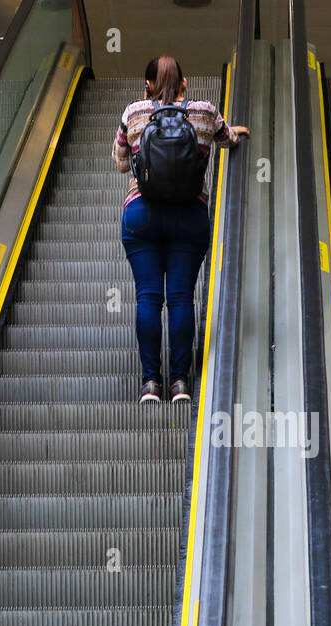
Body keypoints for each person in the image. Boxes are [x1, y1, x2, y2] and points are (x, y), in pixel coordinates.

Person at [112, 55, 249, 403]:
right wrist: (236, 132)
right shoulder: (203, 111)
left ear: (148, 86)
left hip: (142, 213)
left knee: (148, 297)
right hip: (189, 214)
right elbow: (227, 139)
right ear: (184, 84)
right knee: (180, 298)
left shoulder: (133, 112)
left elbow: (119, 162)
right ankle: (180, 385)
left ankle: (150, 384)